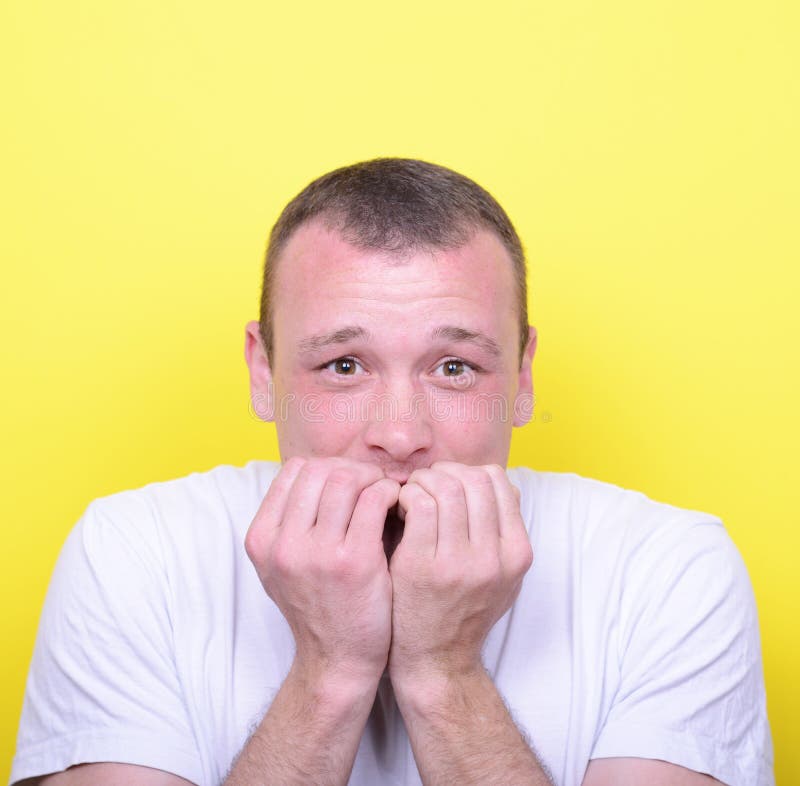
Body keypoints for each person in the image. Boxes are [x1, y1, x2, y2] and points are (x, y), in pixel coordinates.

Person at [10, 158, 773, 786]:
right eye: (344, 365)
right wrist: (331, 671)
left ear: (524, 376)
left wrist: (443, 672)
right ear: (262, 370)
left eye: (454, 367)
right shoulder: (129, 552)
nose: (401, 434)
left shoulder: (672, 567)